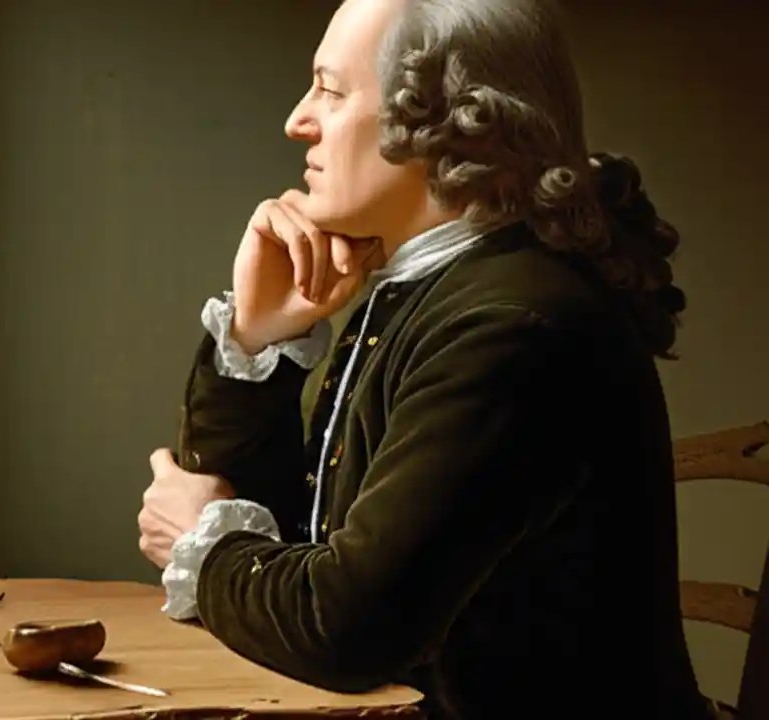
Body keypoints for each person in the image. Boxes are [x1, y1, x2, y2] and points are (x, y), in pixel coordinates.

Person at [135, 0, 715, 718]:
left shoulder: (509, 327)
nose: (298, 120)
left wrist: (204, 541)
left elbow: (345, 631)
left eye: (331, 90)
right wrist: (261, 338)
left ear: (445, 120)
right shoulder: (427, 289)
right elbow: (292, 542)